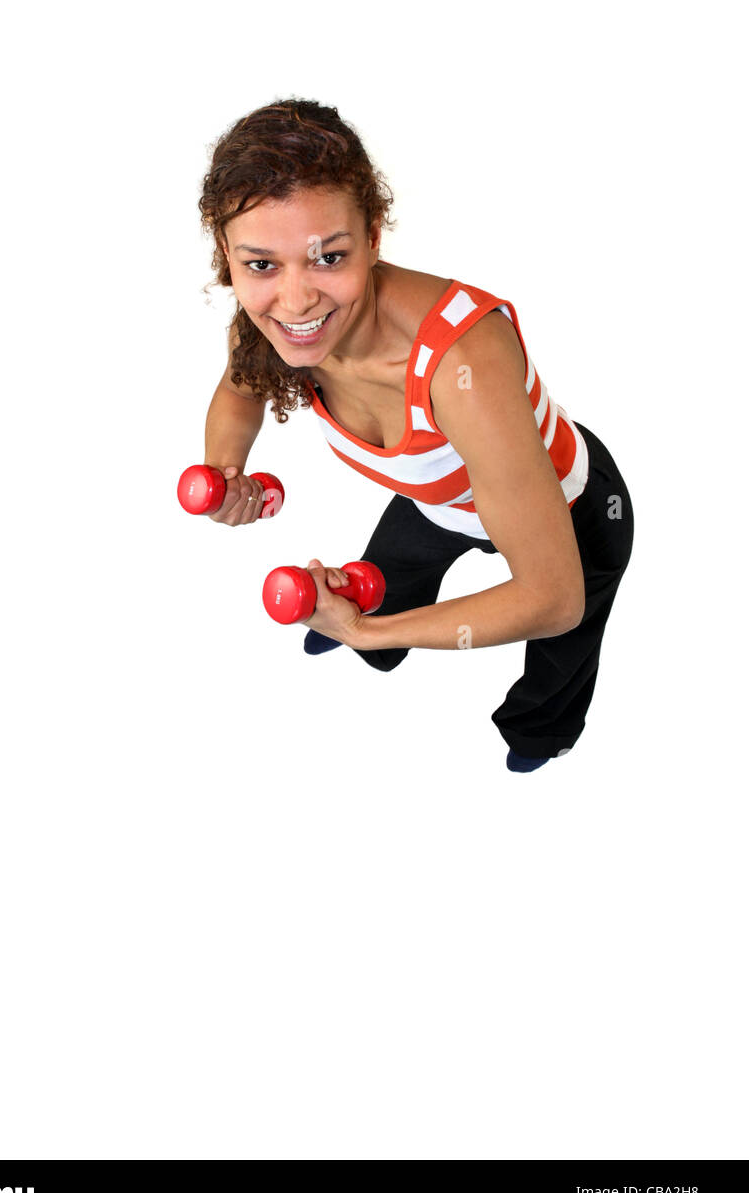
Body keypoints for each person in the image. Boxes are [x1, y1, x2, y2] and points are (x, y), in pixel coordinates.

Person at [196, 99, 634, 772]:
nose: (295, 300)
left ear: (373, 235)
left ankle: (541, 732)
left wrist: (367, 628)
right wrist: (225, 469)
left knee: (563, 642)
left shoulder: (463, 364)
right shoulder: (271, 328)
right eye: (261, 265)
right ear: (229, 255)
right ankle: (369, 636)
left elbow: (551, 596)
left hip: (573, 511)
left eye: (327, 257)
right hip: (438, 498)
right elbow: (237, 389)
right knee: (386, 574)